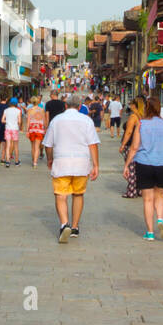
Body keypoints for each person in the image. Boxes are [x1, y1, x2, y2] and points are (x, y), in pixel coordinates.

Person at [43, 93, 100, 243]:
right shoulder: (87, 120)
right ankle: (74, 227)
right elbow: (92, 144)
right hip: (81, 163)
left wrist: (49, 159)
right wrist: (96, 165)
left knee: (61, 195)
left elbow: (48, 144)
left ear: (65, 106)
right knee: (78, 195)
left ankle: (64, 224)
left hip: (61, 162)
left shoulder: (56, 120)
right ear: (80, 106)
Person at [126, 94, 163, 241]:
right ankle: (160, 220)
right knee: (160, 195)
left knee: (147, 199)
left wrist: (127, 164)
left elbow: (135, 147)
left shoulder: (141, 124)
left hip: (144, 164)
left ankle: (149, 232)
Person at [119, 97, 145, 198]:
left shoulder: (133, 117)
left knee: (130, 167)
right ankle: (139, 190)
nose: (129, 105)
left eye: (130, 103)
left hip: (130, 144)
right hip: (140, 144)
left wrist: (123, 145)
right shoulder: (143, 116)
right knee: (138, 168)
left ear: (134, 105)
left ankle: (131, 190)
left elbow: (128, 132)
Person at [26, 95, 48, 168]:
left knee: (32, 146)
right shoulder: (42, 110)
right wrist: (45, 129)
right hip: (39, 129)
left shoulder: (30, 110)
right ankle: (35, 162)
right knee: (37, 147)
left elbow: (28, 121)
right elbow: (44, 120)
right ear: (38, 102)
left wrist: (27, 131)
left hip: (32, 129)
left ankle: (33, 160)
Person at [3, 96, 23, 166]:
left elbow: (2, 120)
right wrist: (18, 125)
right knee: (16, 146)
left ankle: (7, 161)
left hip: (8, 129)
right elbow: (20, 121)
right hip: (15, 129)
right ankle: (17, 162)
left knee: (8, 145)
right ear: (16, 103)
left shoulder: (6, 110)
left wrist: (7, 121)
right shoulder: (18, 111)